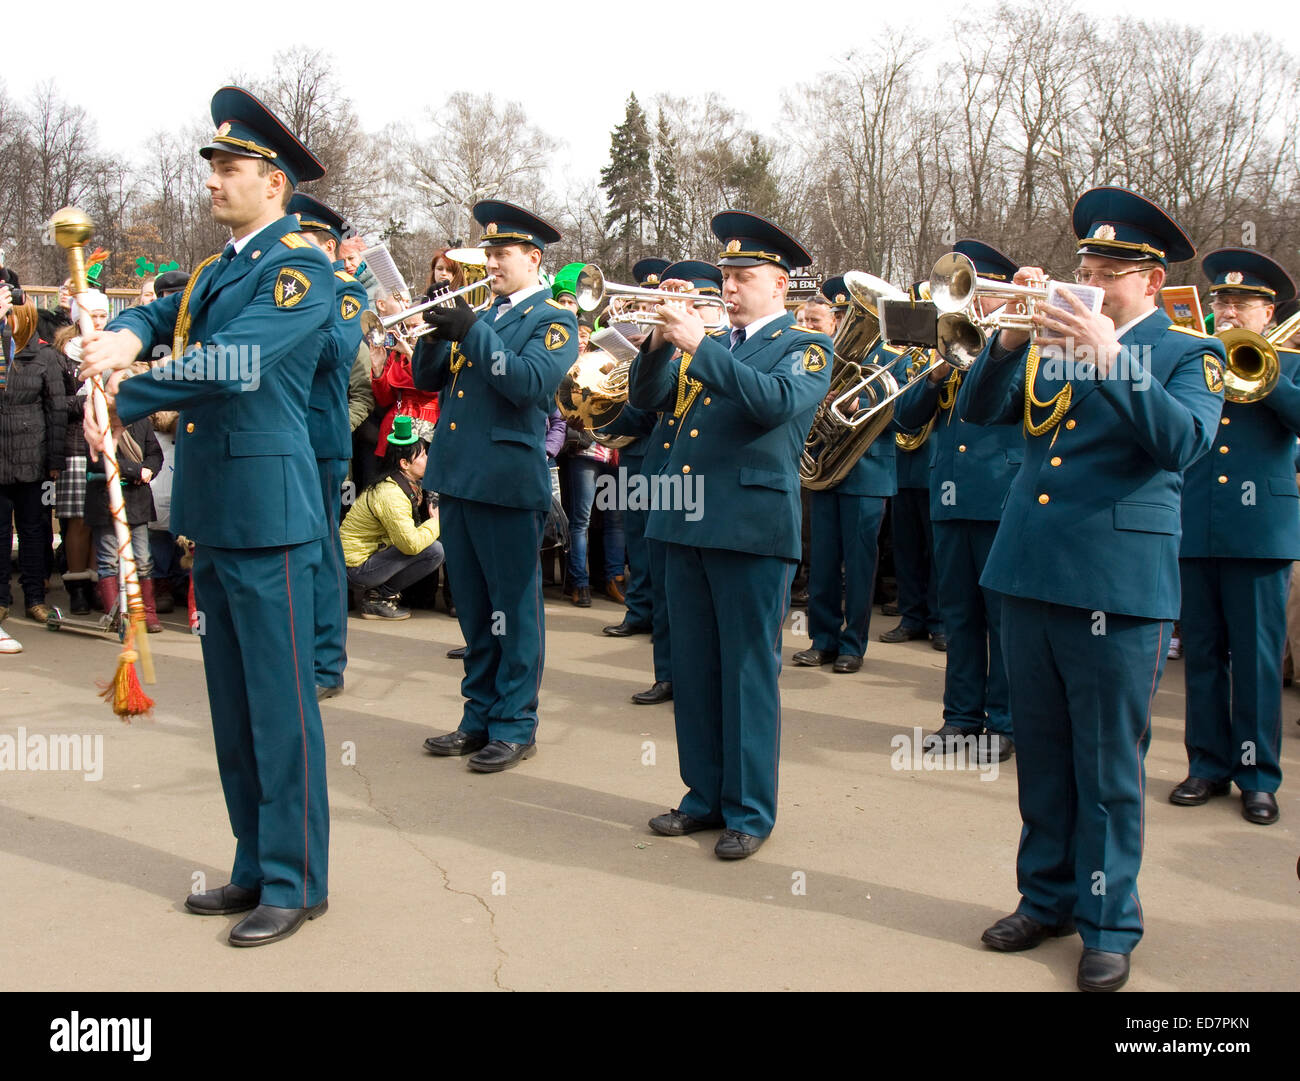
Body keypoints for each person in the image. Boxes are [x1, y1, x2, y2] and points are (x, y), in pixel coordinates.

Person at [80, 85, 336, 948]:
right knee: (232, 706)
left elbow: (230, 360)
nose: (214, 181)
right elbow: (171, 308)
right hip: (220, 515)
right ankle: (256, 861)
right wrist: (124, 330)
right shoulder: (226, 265)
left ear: (275, 183)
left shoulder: (302, 268)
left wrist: (127, 388)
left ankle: (298, 879)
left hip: (272, 519)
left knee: (281, 708)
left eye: (230, 168)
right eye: (214, 167)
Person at [958, 187, 1225, 991]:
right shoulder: (1050, 338)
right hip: (1031, 571)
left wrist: (1112, 355)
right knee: (1042, 757)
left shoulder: (1187, 352)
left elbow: (1182, 444)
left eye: (1112, 269)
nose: (1095, 280)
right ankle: (1046, 897)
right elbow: (978, 412)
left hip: (1118, 582)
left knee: (1108, 768)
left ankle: (1108, 921)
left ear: (1150, 282)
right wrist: (1006, 338)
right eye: (1089, 265)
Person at [632, 211, 833, 858]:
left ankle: (749, 809)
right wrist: (661, 343)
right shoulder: (719, 342)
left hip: (750, 529)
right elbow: (647, 401)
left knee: (746, 673)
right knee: (693, 667)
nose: (729, 285)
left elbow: (772, 402)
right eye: (726, 274)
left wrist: (700, 345)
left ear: (780, 285)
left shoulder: (806, 346)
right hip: (685, 519)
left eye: (744, 276)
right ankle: (703, 795)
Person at [414, 200, 577, 773]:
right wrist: (435, 333)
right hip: (459, 478)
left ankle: (514, 724)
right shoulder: (482, 312)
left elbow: (529, 384)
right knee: (476, 611)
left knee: (514, 610)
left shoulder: (553, 319)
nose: (490, 263)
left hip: (507, 484)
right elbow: (424, 379)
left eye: (501, 254)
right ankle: (477, 715)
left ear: (533, 260)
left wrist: (474, 330)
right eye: (487, 253)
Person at [1171, 248, 1300, 826]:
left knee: (1255, 660)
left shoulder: (1291, 365)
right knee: (1200, 656)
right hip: (1196, 526)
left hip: (1258, 533)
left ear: (1268, 314)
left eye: (1242, 303)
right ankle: (1206, 765)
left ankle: (1256, 776)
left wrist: (1263, 370)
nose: (1228, 310)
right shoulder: (1195, 356)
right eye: (1222, 300)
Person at [895, 240, 1027, 759]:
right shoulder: (943, 343)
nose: (970, 305)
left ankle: (1006, 722)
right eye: (965, 293)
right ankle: (961, 717)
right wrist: (936, 375)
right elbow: (905, 420)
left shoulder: (1026, 345)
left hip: (1001, 495)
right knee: (959, 614)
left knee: (1002, 618)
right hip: (948, 497)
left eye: (980, 294)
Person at [287, 192, 368, 701]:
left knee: (320, 548)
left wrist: (293, 318)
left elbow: (337, 351)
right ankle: (295, 655)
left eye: (301, 243)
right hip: (283, 433)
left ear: (329, 247)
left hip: (318, 438)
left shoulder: (344, 291)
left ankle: (325, 663)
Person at [795, 333, 909, 674]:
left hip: (868, 472)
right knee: (823, 562)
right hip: (827, 467)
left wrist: (860, 406)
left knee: (859, 565)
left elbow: (905, 414)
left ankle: (853, 644)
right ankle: (822, 640)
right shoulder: (826, 354)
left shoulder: (894, 356)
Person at [0, 294, 66, 625]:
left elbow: (56, 410)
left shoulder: (44, 357)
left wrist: (54, 460)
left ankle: (35, 597)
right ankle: (0, 598)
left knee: (33, 530)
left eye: (12, 316)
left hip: (33, 458)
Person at [340, 415, 444, 618]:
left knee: (431, 548)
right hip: (356, 568)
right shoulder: (391, 494)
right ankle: (377, 599)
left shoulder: (404, 483)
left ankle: (379, 595)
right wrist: (435, 522)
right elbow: (410, 545)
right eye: (422, 456)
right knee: (434, 551)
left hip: (369, 558)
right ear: (404, 464)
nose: (427, 460)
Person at [85, 391, 164, 632]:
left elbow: (155, 454)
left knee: (143, 560)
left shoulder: (142, 422)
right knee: (109, 560)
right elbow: (98, 460)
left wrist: (149, 469)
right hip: (105, 500)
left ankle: (146, 614)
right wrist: (135, 470)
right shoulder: (96, 424)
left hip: (137, 500)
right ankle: (115, 615)